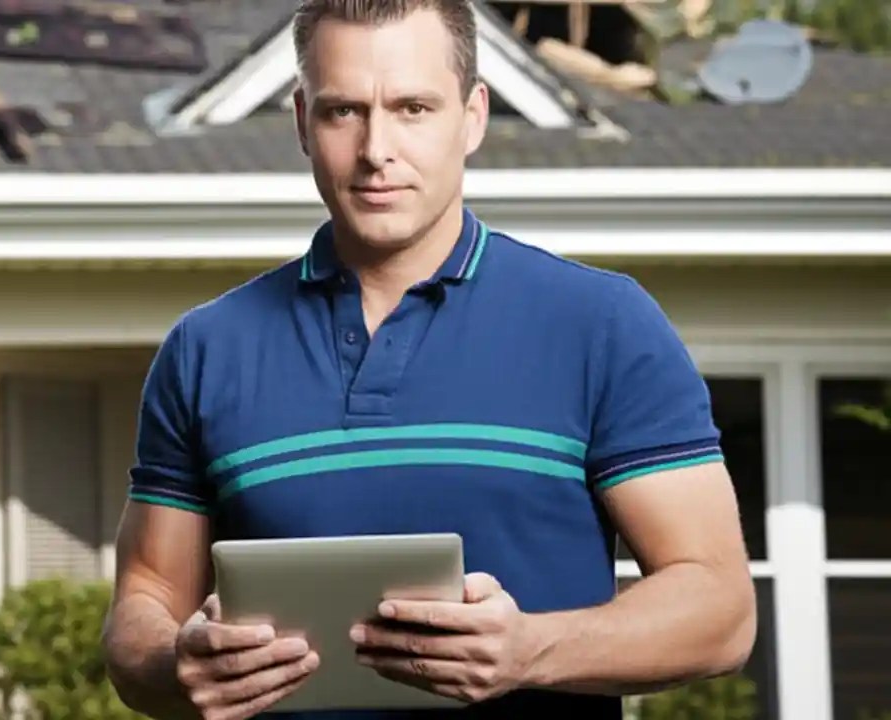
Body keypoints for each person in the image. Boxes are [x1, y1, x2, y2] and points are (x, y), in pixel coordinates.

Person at [101, 0, 757, 718]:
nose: (376, 149)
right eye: (343, 111)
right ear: (302, 122)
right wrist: (174, 664)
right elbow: (145, 601)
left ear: (473, 117)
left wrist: (529, 650)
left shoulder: (603, 325)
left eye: (412, 108)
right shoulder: (206, 348)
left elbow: (719, 611)